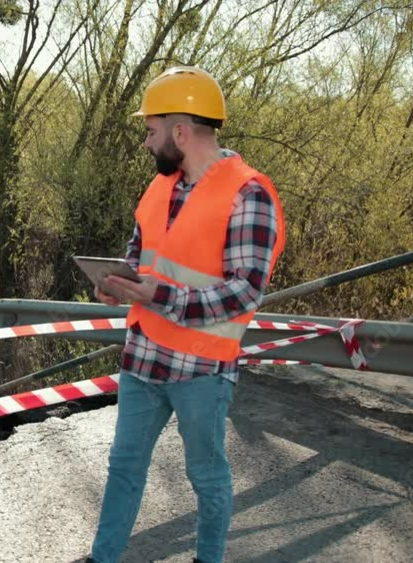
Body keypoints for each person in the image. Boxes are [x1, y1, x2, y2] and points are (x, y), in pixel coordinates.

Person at [83, 66, 286, 563]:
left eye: (151, 132)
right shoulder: (159, 189)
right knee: (124, 467)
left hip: (202, 368)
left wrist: (157, 295)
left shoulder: (249, 194)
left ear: (180, 132)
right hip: (144, 358)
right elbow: (140, 260)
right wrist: (119, 286)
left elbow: (244, 293)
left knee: (206, 475)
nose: (147, 143)